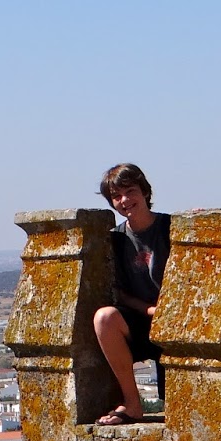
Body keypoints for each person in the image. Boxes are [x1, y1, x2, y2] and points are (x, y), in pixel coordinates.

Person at [92, 162, 169, 424]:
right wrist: (150, 310)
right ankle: (132, 405)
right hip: (142, 323)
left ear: (145, 191)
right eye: (116, 196)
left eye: (130, 191)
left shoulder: (172, 229)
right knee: (105, 318)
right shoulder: (115, 240)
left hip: (177, 324)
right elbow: (120, 294)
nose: (124, 200)